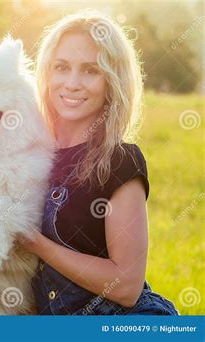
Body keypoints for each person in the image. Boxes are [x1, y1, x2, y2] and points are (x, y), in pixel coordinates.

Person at [19, 11, 178, 315]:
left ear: (111, 81)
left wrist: (36, 244)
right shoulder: (27, 156)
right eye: (61, 68)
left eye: (90, 71)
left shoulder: (118, 161)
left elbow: (127, 286)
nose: (72, 83)